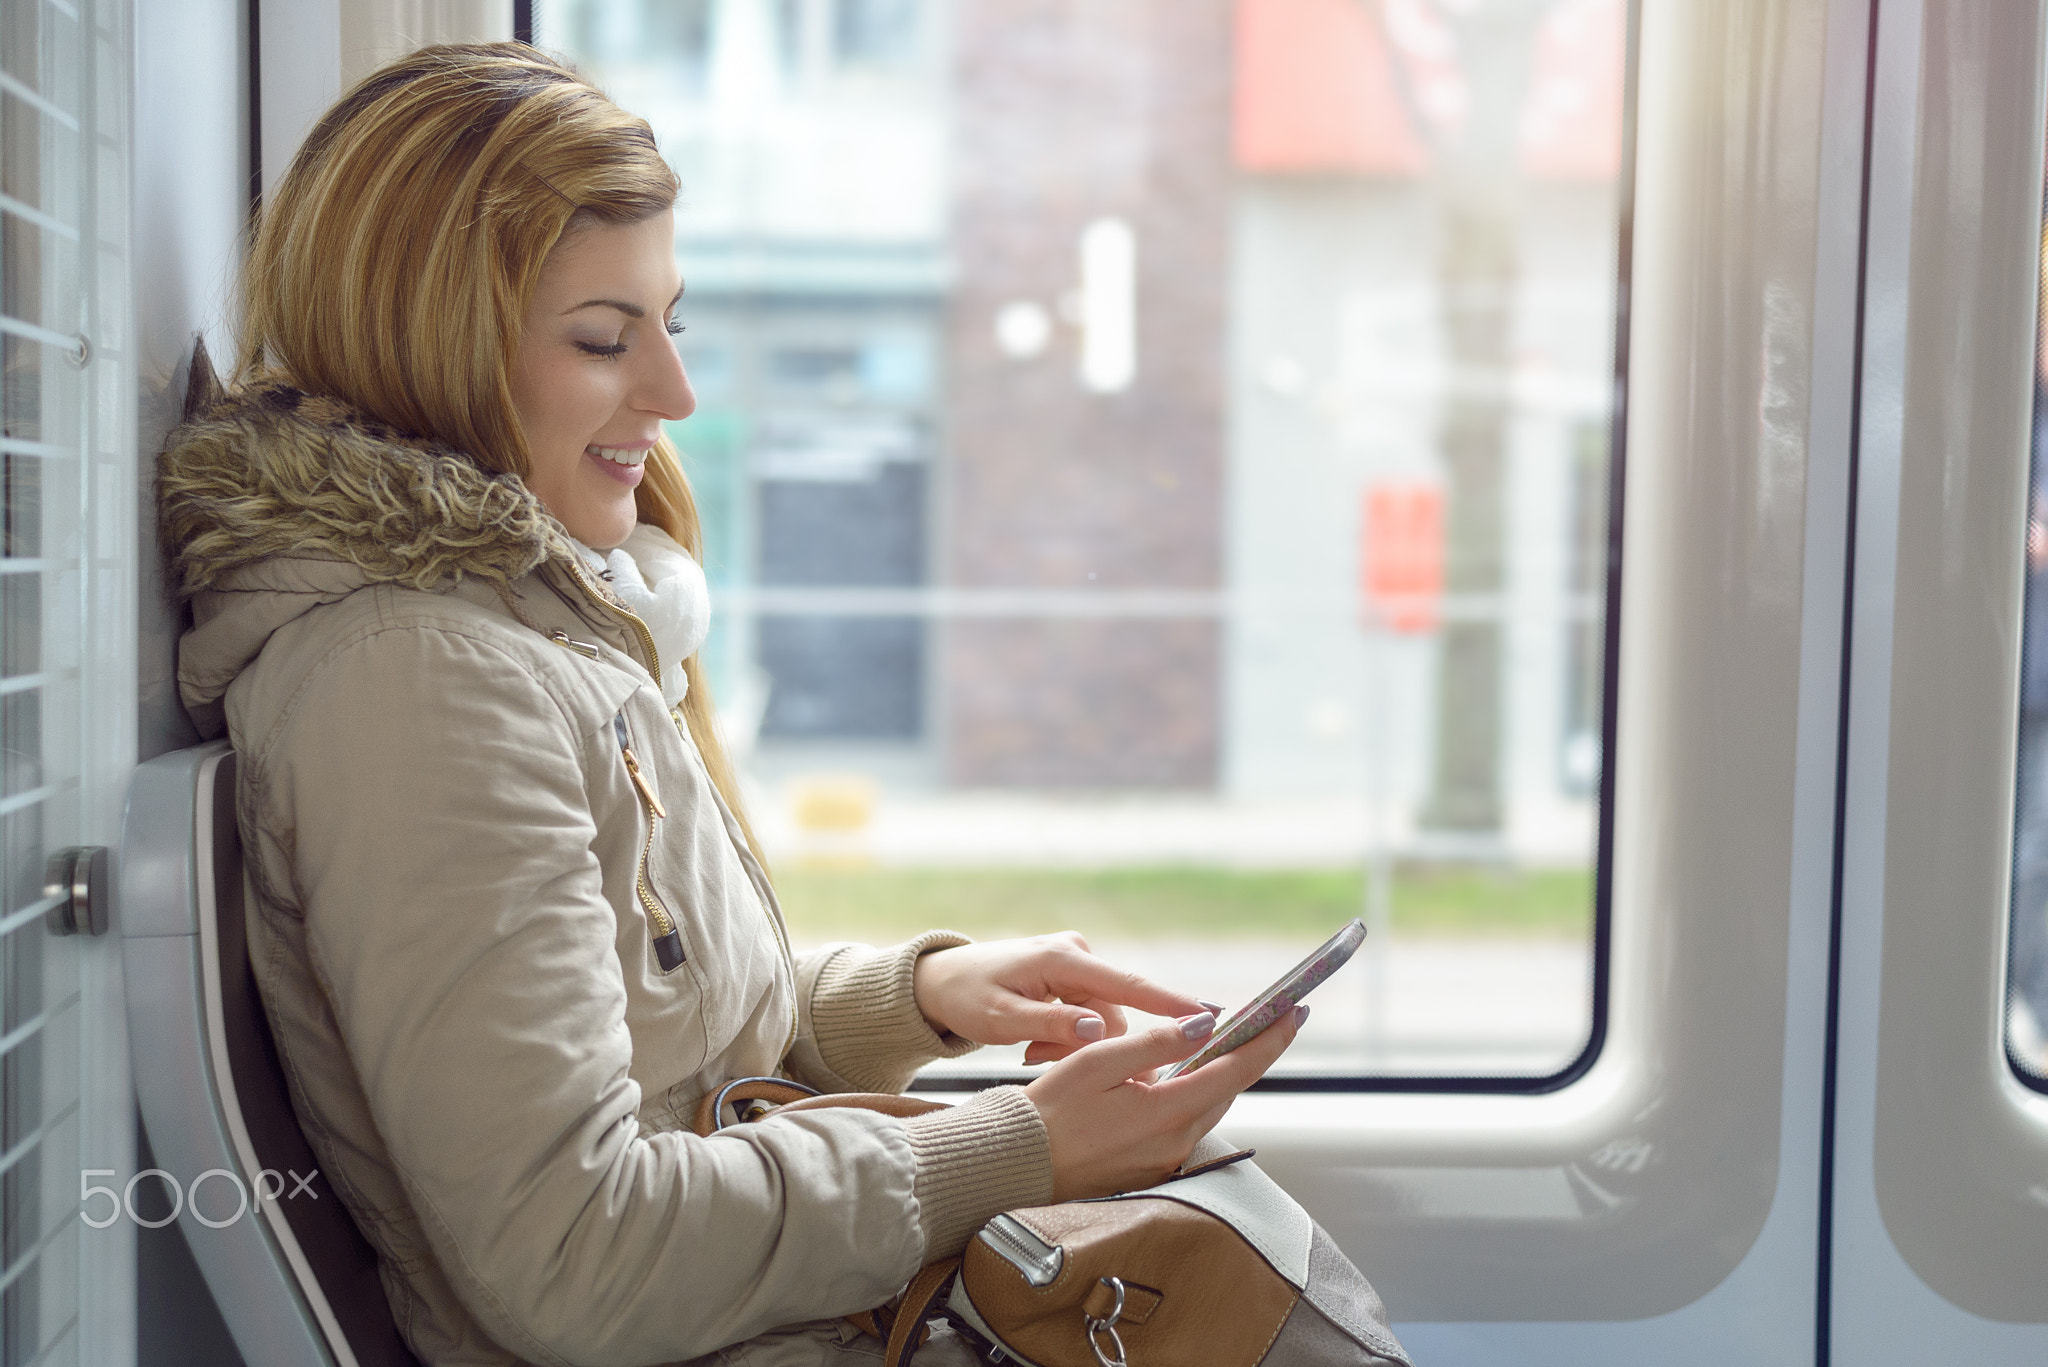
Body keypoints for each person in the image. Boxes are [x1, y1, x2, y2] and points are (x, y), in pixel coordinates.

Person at [157, 43, 1302, 1367]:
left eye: (670, 324)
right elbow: (576, 1254)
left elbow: (666, 1054)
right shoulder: (423, 691)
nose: (675, 394)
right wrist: (1019, 1147)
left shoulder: (533, 635)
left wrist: (919, 997)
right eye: (603, 339)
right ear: (429, 348)